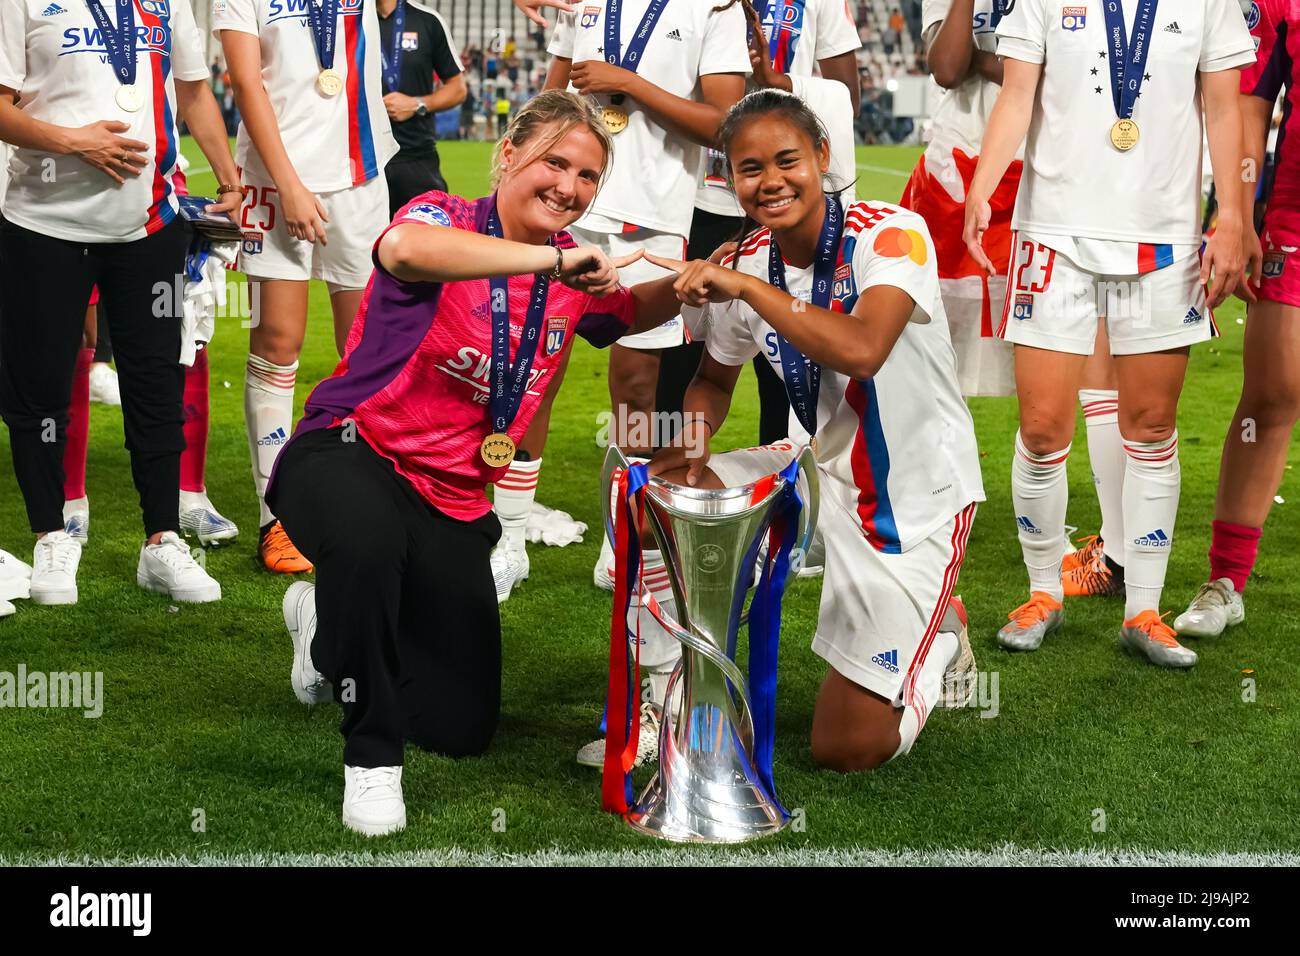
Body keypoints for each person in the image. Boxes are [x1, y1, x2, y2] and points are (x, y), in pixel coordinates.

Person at [266, 91, 684, 836]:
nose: (569, 186)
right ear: (508, 155)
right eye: (555, 162)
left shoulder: (572, 276)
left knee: (461, 729)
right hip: (350, 451)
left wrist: (702, 281)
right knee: (366, 542)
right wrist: (555, 259)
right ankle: (370, 758)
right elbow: (403, 253)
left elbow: (632, 313)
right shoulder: (442, 217)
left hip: (455, 503)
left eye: (587, 176)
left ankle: (325, 629)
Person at [644, 90, 984, 770]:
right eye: (748, 168)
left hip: (910, 503)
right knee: (670, 496)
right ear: (729, 178)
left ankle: (941, 638)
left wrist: (750, 290)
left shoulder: (891, 234)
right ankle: (665, 699)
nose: (770, 181)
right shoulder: (746, 261)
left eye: (787, 160)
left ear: (822, 157)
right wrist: (692, 443)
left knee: (848, 748)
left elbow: (861, 349)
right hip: (817, 470)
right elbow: (712, 382)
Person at [964, 0, 1254, 667]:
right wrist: (985, 185)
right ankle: (1043, 593)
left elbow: (1223, 107)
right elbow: (1015, 95)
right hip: (1054, 236)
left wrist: (1234, 215)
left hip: (1164, 240)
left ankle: (1143, 611)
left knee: (1152, 425)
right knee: (1041, 428)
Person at [489, 0, 748, 613]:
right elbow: (547, 104)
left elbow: (725, 126)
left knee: (637, 386)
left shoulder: (717, 9)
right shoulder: (582, 4)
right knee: (528, 370)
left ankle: (623, 537)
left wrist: (629, 85)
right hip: (562, 204)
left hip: (653, 217)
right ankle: (509, 532)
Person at [0, 0, 239, 605]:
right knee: (41, 390)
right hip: (41, 225)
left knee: (156, 385)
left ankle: (161, 541)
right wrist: (70, 141)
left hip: (147, 227)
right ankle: (51, 537)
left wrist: (230, 177)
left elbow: (194, 93)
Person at [217, 0, 400, 574]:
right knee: (276, 340)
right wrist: (290, 186)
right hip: (273, 180)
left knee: (365, 348)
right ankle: (278, 518)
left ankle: (356, 501)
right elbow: (246, 83)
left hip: (359, 178)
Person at [1175, 0, 1300, 639]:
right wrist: (1240, 213)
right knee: (1272, 394)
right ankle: (1227, 578)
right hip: (1294, 213)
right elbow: (1251, 102)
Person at [378, 0, 468, 216]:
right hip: (365, 162)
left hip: (415, 157)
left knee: (426, 243)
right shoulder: (350, 21)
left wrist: (417, 104)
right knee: (363, 247)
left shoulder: (428, 20)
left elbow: (457, 89)